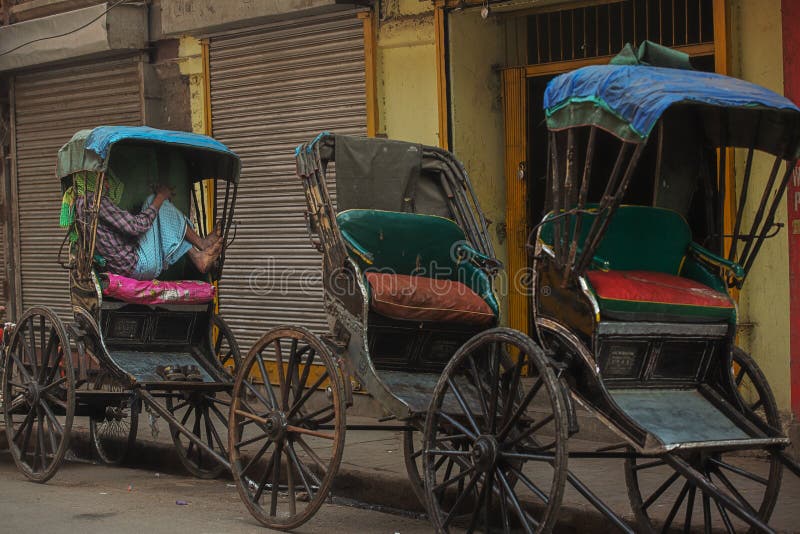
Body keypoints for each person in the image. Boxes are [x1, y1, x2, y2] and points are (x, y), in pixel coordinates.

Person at [75, 184, 222, 280]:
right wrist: (161, 196)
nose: (107, 183)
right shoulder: (92, 200)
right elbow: (135, 227)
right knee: (155, 202)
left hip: (126, 267)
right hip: (136, 265)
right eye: (104, 179)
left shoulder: (81, 205)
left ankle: (198, 256)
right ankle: (201, 244)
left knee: (159, 215)